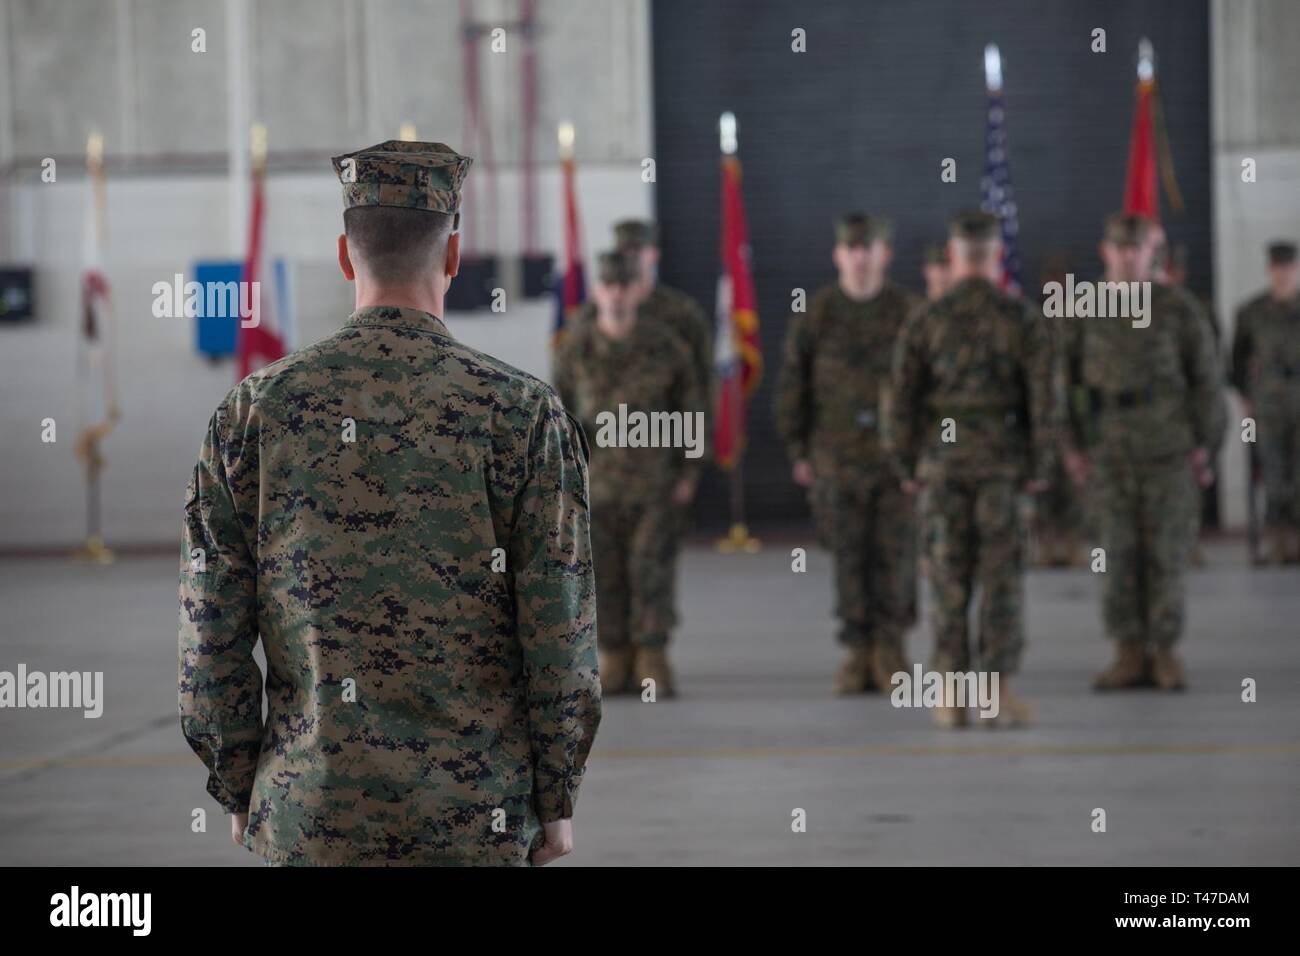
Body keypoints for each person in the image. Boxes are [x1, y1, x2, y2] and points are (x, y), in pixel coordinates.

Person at [178, 140, 600, 866]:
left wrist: (242, 786)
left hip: (310, 811)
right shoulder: (522, 412)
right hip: (477, 817)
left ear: (345, 257)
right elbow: (560, 630)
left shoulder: (252, 413)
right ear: (456, 254)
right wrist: (557, 798)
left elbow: (208, 636)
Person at [886, 209, 1058, 728]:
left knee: (947, 579)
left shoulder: (925, 319)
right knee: (1000, 580)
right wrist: (1040, 462)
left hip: (941, 465)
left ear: (954, 255)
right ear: (997, 254)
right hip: (1001, 467)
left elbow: (901, 400)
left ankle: (949, 697)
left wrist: (906, 462)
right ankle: (997, 694)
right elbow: (1043, 402)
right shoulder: (1020, 317)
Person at [1063, 213, 1220, 692]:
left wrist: (1205, 446)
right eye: (1120, 248)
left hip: (1168, 449)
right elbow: (1062, 385)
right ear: (1106, 251)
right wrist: (1071, 447)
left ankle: (1166, 652)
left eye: (1137, 248)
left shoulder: (1178, 308)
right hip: (1108, 451)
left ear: (1152, 252)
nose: (1129, 257)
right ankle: (1128, 652)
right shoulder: (1083, 308)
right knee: (1114, 555)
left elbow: (1206, 381)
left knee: (1167, 555)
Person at [775, 212, 920, 694]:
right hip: (836, 459)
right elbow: (794, 385)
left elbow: (927, 388)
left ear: (885, 254)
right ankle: (858, 652)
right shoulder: (816, 315)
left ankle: (891, 647)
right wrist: (798, 448)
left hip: (896, 460)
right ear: (838, 255)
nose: (860, 257)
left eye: (869, 248)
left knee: (895, 556)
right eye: (852, 249)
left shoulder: (908, 313)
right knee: (848, 558)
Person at [554, 251, 703, 698]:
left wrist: (690, 469)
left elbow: (691, 407)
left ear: (637, 289)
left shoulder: (665, 345)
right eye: (609, 285)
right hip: (597, 486)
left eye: (625, 285)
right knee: (604, 573)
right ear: (597, 290)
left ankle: (652, 654)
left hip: (654, 483)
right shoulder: (576, 347)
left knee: (652, 569)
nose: (617, 293)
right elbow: (559, 418)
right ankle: (614, 655)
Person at [1230, 241, 1300, 563]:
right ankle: (1276, 540)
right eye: (1277, 268)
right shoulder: (1252, 312)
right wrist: (1246, 396)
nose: (1282, 274)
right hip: (1267, 405)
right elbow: (1236, 361)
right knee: (1273, 473)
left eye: (1288, 267)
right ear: (1269, 270)